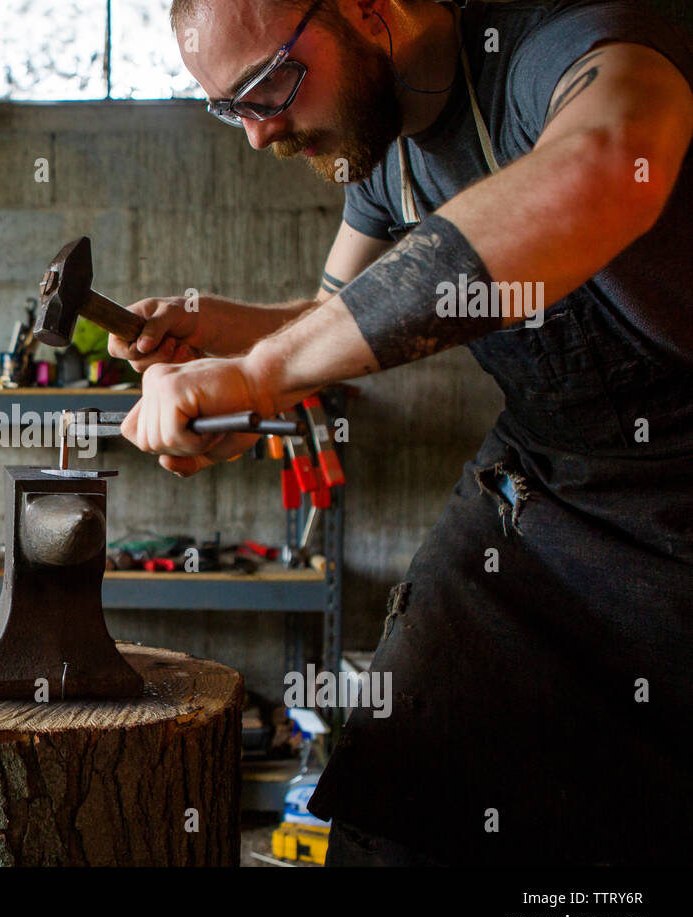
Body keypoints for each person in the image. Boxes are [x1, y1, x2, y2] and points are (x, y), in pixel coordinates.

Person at [110, 0, 693, 864]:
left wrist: (265, 372)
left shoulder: (561, 44)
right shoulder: (380, 143)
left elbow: (605, 167)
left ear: (368, 8)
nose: (259, 136)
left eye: (271, 87)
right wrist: (220, 334)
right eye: (233, 107)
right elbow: (327, 316)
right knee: (398, 782)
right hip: (544, 491)